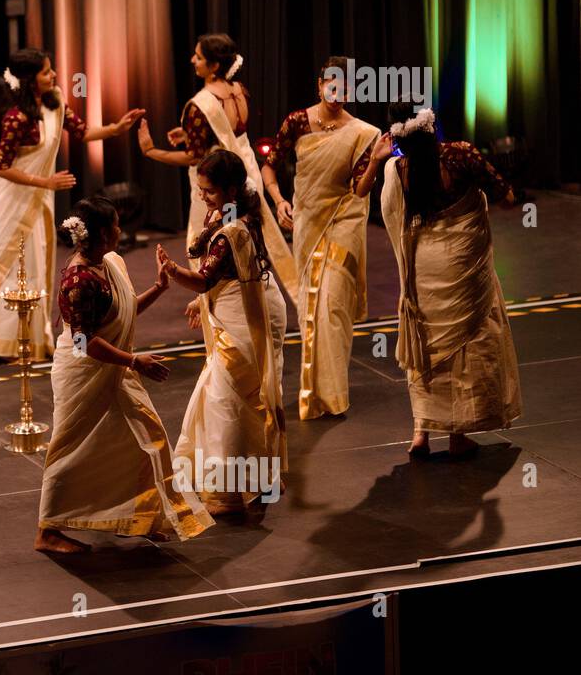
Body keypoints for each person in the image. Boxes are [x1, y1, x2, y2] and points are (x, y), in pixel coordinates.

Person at [36, 196, 213, 553]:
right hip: (85, 374)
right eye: (116, 225)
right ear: (103, 233)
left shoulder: (109, 263)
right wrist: (133, 361)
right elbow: (84, 342)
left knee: (143, 440)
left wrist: (160, 288)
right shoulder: (78, 280)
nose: (121, 230)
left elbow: (124, 311)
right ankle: (48, 530)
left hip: (114, 368)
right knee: (72, 450)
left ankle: (138, 517)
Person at [359, 108, 521, 458]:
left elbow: (362, 193)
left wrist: (376, 160)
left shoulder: (397, 169)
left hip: (424, 267)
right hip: (462, 264)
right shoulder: (461, 155)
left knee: (426, 344)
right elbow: (505, 196)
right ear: (430, 124)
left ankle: (421, 432)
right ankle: (457, 437)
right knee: (465, 346)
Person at [0, 47, 144, 359]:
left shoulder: (55, 101)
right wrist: (46, 182)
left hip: (38, 196)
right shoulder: (17, 118)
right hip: (12, 198)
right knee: (10, 265)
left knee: (37, 262)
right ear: (29, 79)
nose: (54, 75)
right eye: (46, 72)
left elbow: (83, 132)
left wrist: (116, 129)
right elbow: (2, 167)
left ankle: (31, 341)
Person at [157, 150, 287, 515]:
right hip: (248, 303)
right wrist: (202, 302)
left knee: (226, 399)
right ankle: (261, 479)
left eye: (209, 191)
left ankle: (228, 494)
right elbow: (226, 272)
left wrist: (171, 271)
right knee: (243, 398)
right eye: (200, 189)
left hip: (247, 316)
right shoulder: (231, 214)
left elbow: (204, 279)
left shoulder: (232, 229)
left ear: (231, 190)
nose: (202, 196)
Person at [138, 33, 299, 303]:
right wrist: (188, 133)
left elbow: (194, 157)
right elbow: (229, 131)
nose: (193, 60)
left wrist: (150, 151)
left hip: (217, 180)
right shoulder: (239, 90)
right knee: (241, 234)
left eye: (199, 57)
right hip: (245, 171)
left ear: (213, 66)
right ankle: (247, 289)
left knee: (209, 238)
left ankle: (215, 299)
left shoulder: (201, 103)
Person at [260, 57, 379, 419]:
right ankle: (317, 393)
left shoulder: (363, 133)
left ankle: (332, 394)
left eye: (346, 87)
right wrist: (279, 200)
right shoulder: (297, 122)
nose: (338, 92)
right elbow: (270, 165)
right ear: (320, 84)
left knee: (332, 305)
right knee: (311, 309)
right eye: (333, 84)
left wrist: (376, 161)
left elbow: (360, 190)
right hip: (308, 223)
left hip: (344, 222)